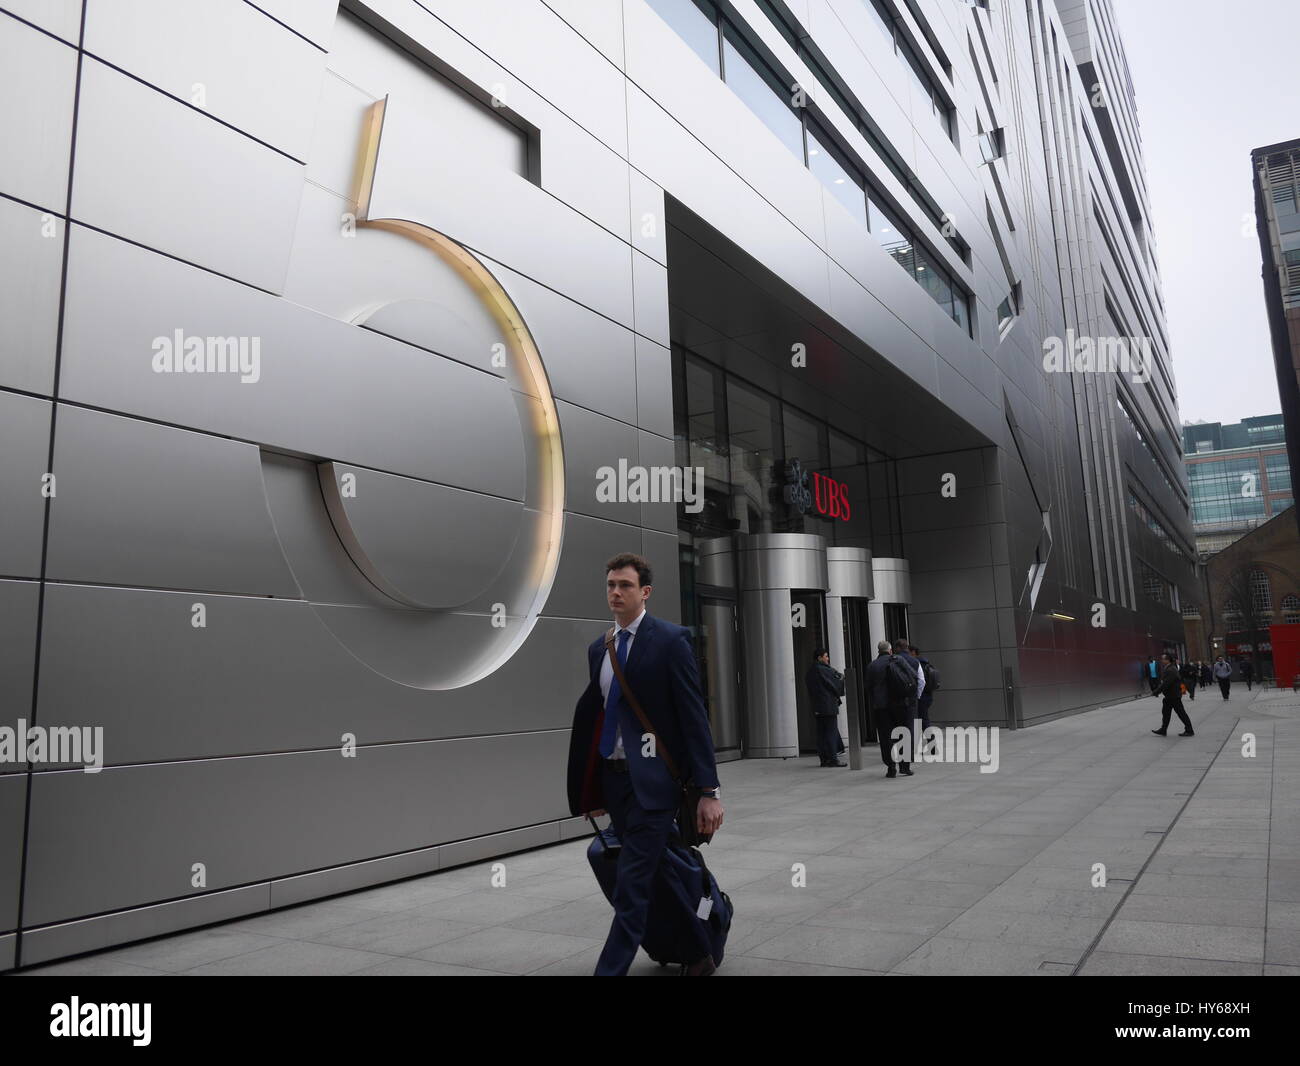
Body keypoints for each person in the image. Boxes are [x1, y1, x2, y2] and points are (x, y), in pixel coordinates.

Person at [566, 552, 723, 977]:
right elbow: (601, 719)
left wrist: (708, 792)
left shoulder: (671, 641)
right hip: (615, 783)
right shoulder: (599, 649)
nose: (616, 593)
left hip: (655, 787)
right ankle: (698, 953)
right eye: (611, 586)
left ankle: (609, 970)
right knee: (655, 872)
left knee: (633, 883)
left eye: (626, 586)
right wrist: (592, 788)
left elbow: (693, 717)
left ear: (645, 592)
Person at [866, 639, 913, 778]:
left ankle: (891, 767)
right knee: (903, 734)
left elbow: (868, 687)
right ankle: (905, 767)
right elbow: (912, 676)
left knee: (886, 737)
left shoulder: (872, 666)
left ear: (878, 651)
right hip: (900, 704)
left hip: (881, 707)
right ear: (890, 650)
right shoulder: (898, 660)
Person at [805, 648, 846, 767]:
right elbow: (837, 681)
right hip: (828, 706)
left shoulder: (810, 672)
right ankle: (833, 759)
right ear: (820, 658)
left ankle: (824, 759)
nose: (827, 659)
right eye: (826, 656)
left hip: (817, 706)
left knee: (821, 733)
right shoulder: (824, 670)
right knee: (831, 732)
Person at [1152, 651, 1194, 738]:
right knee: (1166, 713)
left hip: (1174, 696)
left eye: (1163, 659)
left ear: (1167, 660)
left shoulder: (1171, 669)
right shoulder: (1169, 668)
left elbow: (1166, 683)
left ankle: (1189, 730)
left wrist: (1156, 692)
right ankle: (1163, 729)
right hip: (1169, 696)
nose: (1161, 660)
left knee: (1181, 713)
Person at [913, 646, 939, 753]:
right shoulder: (927, 663)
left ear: (914, 652)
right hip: (928, 696)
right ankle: (930, 747)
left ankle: (932, 747)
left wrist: (917, 696)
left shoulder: (918, 664)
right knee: (923, 721)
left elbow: (921, 682)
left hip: (921, 697)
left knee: (922, 722)